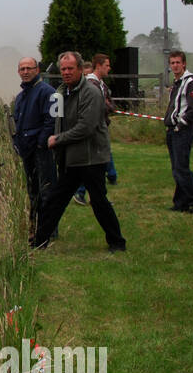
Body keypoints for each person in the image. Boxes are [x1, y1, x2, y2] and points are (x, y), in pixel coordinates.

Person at [33, 52, 126, 253]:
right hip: (69, 159)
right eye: (63, 69)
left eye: (70, 68)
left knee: (99, 201)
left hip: (91, 158)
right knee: (55, 200)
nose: (66, 72)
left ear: (80, 69)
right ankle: (39, 241)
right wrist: (49, 138)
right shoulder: (59, 92)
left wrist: (58, 139)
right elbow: (56, 121)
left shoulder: (90, 93)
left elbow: (87, 127)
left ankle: (117, 242)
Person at [12, 57, 58, 244]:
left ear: (37, 70)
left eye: (29, 68)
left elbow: (53, 121)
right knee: (33, 191)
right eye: (22, 68)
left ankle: (50, 230)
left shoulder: (50, 93)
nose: (25, 71)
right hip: (27, 151)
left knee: (47, 190)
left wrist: (41, 143)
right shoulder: (21, 96)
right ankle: (38, 227)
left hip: (43, 150)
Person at [164, 50, 193, 213]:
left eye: (177, 62)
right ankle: (181, 201)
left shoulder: (190, 82)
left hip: (182, 130)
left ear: (184, 64)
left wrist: (180, 124)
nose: (175, 66)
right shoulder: (176, 83)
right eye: (172, 63)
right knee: (177, 168)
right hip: (172, 130)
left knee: (181, 168)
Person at [73, 53, 118, 204]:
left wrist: (108, 105)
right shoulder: (91, 84)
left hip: (100, 127)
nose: (109, 68)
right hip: (92, 129)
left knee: (96, 165)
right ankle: (81, 193)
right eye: (106, 65)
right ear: (98, 66)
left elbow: (110, 105)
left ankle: (96, 196)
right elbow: (99, 106)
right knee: (92, 164)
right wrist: (106, 106)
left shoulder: (101, 84)